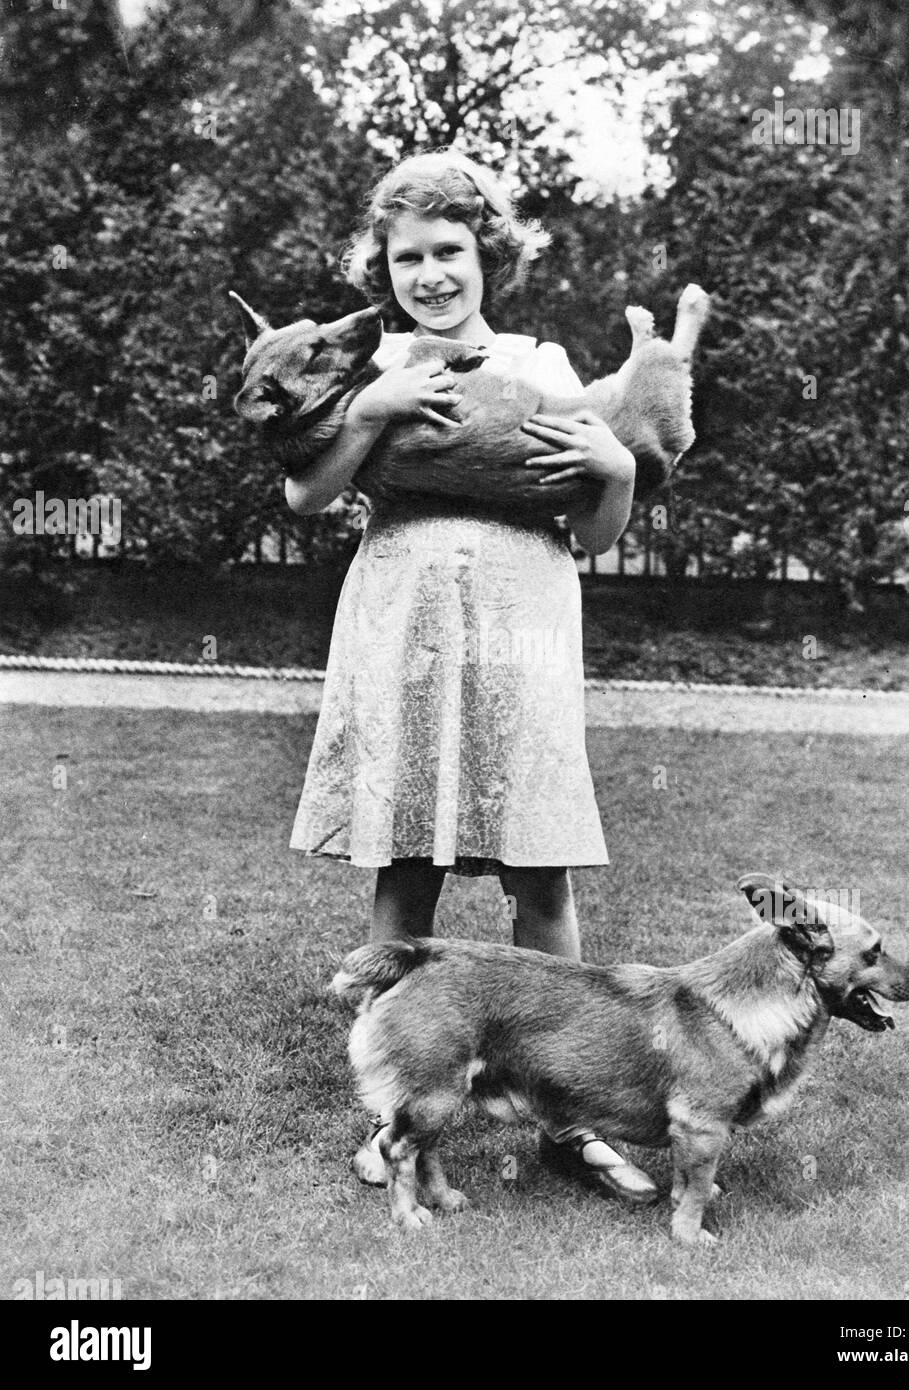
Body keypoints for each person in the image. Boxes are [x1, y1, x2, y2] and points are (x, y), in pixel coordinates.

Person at [286, 148, 657, 1206]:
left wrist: (617, 472)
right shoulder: (362, 365)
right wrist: (369, 410)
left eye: (449, 250)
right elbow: (304, 496)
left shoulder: (540, 367)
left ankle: (570, 1115)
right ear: (383, 265)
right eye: (408, 255)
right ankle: (392, 1118)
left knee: (540, 869)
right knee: (406, 862)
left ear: (485, 255)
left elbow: (591, 529)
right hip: (400, 616)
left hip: (524, 622)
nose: (431, 273)